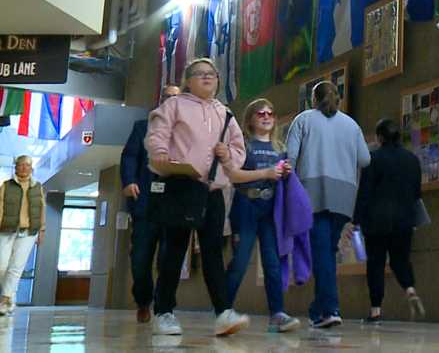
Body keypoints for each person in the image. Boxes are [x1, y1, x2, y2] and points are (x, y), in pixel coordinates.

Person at [145, 58, 250, 337]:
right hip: (181, 185)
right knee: (174, 250)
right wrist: (161, 155)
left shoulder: (225, 113)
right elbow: (158, 135)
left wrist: (228, 155)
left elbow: (239, 149)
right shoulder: (174, 105)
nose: (207, 77)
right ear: (188, 81)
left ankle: (224, 312)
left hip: (212, 191)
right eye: (199, 73)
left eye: (211, 74)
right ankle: (164, 312)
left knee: (214, 252)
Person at [286, 81, 369, 328]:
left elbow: (290, 158)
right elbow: (365, 159)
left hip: (313, 193)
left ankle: (330, 309)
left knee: (321, 252)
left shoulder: (303, 120)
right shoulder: (351, 125)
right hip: (344, 196)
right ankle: (319, 309)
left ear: (313, 99)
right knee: (327, 251)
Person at [223, 98, 301, 333]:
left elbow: (283, 182)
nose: (266, 117)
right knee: (240, 261)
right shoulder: (243, 146)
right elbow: (234, 176)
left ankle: (277, 313)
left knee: (273, 263)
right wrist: (266, 173)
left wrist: (285, 174)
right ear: (250, 119)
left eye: (270, 113)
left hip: (270, 210)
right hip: (246, 205)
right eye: (260, 113)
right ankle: (223, 311)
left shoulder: (280, 148)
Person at [354, 119, 425, 323]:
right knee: (400, 260)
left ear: (380, 137)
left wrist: (356, 219)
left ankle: (375, 310)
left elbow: (365, 193)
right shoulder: (412, 160)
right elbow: (416, 193)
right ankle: (409, 289)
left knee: (376, 263)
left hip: (376, 221)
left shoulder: (373, 159)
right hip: (404, 220)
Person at [120, 84, 180, 323]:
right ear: (160, 99)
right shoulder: (142, 127)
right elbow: (129, 156)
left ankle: (165, 307)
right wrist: (129, 181)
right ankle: (143, 300)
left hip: (173, 205)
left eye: (175, 98)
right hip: (145, 203)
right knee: (140, 259)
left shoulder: (185, 131)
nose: (170, 101)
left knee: (169, 260)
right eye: (167, 96)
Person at [0, 156, 45, 316]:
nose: (24, 168)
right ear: (16, 167)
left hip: (28, 232)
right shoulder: (6, 185)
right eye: (21, 165)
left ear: (31, 168)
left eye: (27, 165)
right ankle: (11, 296)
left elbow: (42, 209)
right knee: (2, 266)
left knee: (16, 266)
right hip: (6, 230)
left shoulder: (37, 187)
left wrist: (42, 230)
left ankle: (4, 300)